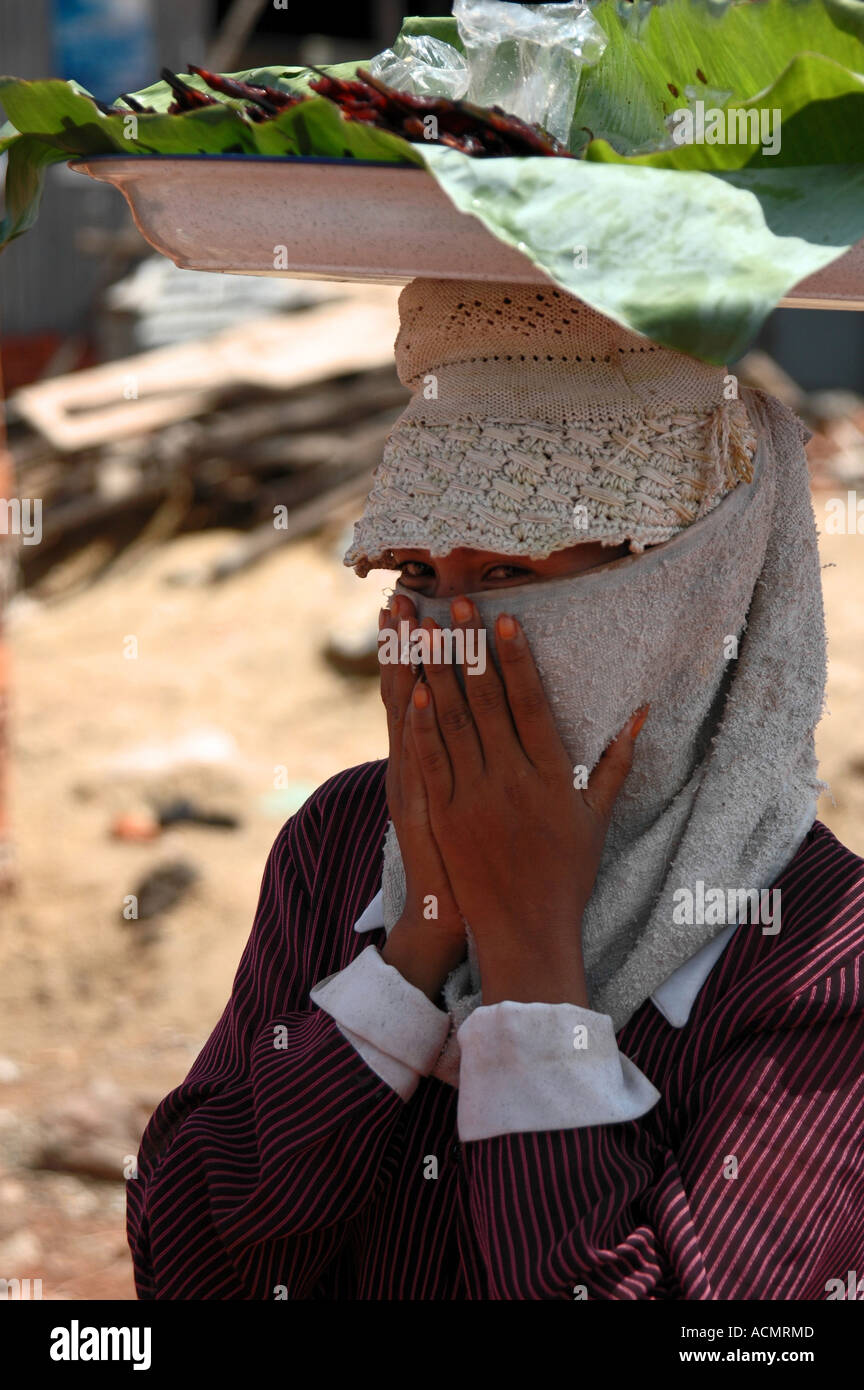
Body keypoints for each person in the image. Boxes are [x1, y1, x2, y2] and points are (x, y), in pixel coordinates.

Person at [127, 280, 864, 1300]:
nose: (449, 632)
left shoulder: (825, 958)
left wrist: (526, 966)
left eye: (512, 574)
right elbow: (192, 1274)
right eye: (421, 574)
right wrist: (412, 952)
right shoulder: (344, 840)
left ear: (699, 582)